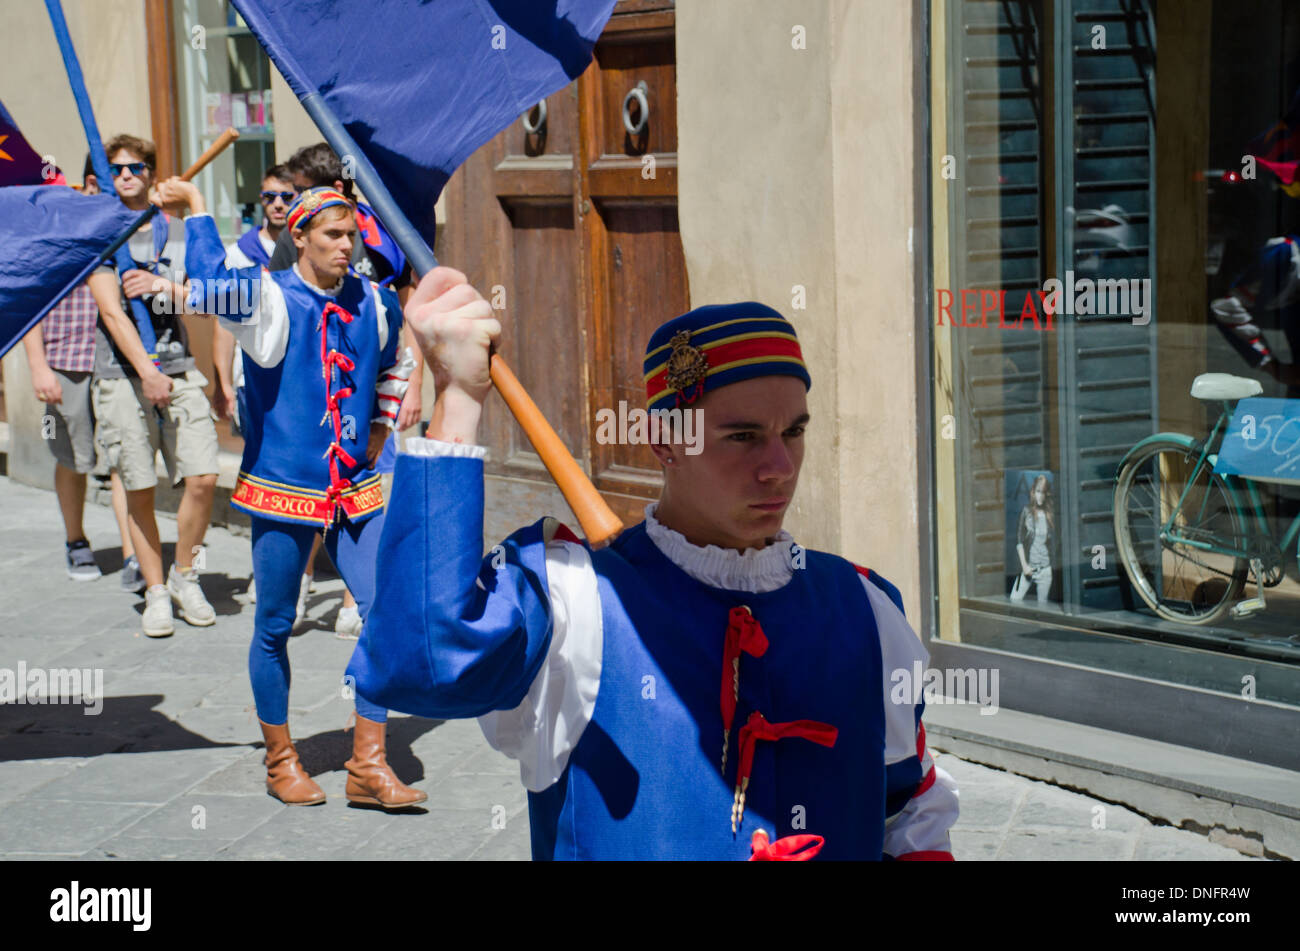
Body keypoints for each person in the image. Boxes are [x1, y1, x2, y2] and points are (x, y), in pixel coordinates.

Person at [349, 272, 960, 860]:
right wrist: (458, 398)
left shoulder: (864, 608)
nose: (780, 467)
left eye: (793, 431)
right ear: (665, 441)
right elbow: (421, 666)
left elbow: (907, 811)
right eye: (743, 437)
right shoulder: (575, 601)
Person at [160, 177, 424, 808]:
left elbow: (398, 364)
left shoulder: (375, 300)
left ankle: (368, 763)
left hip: (355, 488)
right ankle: (281, 762)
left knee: (384, 614)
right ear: (296, 236)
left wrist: (383, 424)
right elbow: (209, 282)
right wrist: (197, 212)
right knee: (276, 624)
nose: (346, 246)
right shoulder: (266, 301)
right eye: (333, 235)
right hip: (283, 486)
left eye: (353, 235)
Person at [85, 134, 220, 637]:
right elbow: (112, 313)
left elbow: (206, 300)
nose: (127, 176)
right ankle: (156, 589)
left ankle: (186, 573)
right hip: (124, 376)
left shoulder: (175, 230)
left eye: (137, 167)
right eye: (117, 168)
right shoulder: (101, 235)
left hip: (180, 366)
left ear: (151, 174)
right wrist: (147, 372)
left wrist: (163, 286)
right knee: (139, 486)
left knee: (204, 476)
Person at [20, 154, 140, 587]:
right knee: (71, 457)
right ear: (91, 182)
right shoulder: (57, 228)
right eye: (113, 176)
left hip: (117, 361)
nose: (125, 181)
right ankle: (76, 540)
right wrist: (37, 366)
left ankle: (132, 555)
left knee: (126, 457)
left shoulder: (130, 226)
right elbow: (30, 301)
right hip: (65, 361)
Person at [1012, 474, 1053, 604]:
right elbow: (1019, 540)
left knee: (1043, 607)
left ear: (1047, 494)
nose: (1040, 496)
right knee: (1015, 600)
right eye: (1038, 492)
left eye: (1043, 493)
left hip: (1045, 570)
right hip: (1029, 568)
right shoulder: (1026, 512)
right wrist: (1024, 566)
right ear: (1033, 492)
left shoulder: (1050, 514)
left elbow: (1054, 543)